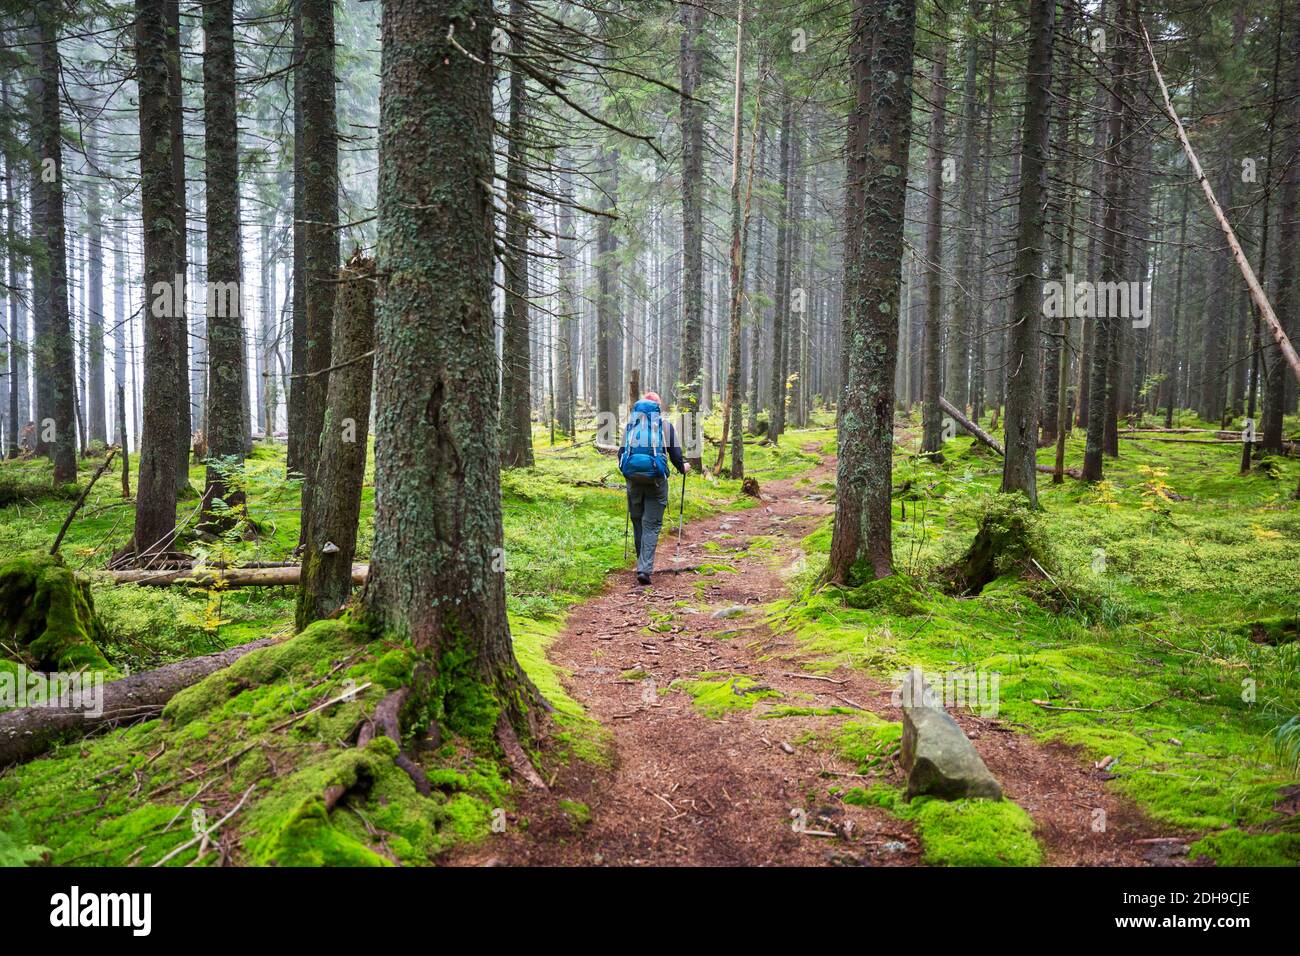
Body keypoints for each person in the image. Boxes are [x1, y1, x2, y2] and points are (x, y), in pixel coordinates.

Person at [618, 391, 689, 585]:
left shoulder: (630, 426)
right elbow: (676, 456)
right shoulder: (665, 426)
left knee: (638, 521)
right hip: (656, 482)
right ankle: (644, 568)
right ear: (658, 406)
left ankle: (642, 562)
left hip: (633, 481)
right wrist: (683, 467)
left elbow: (621, 454)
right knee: (652, 524)